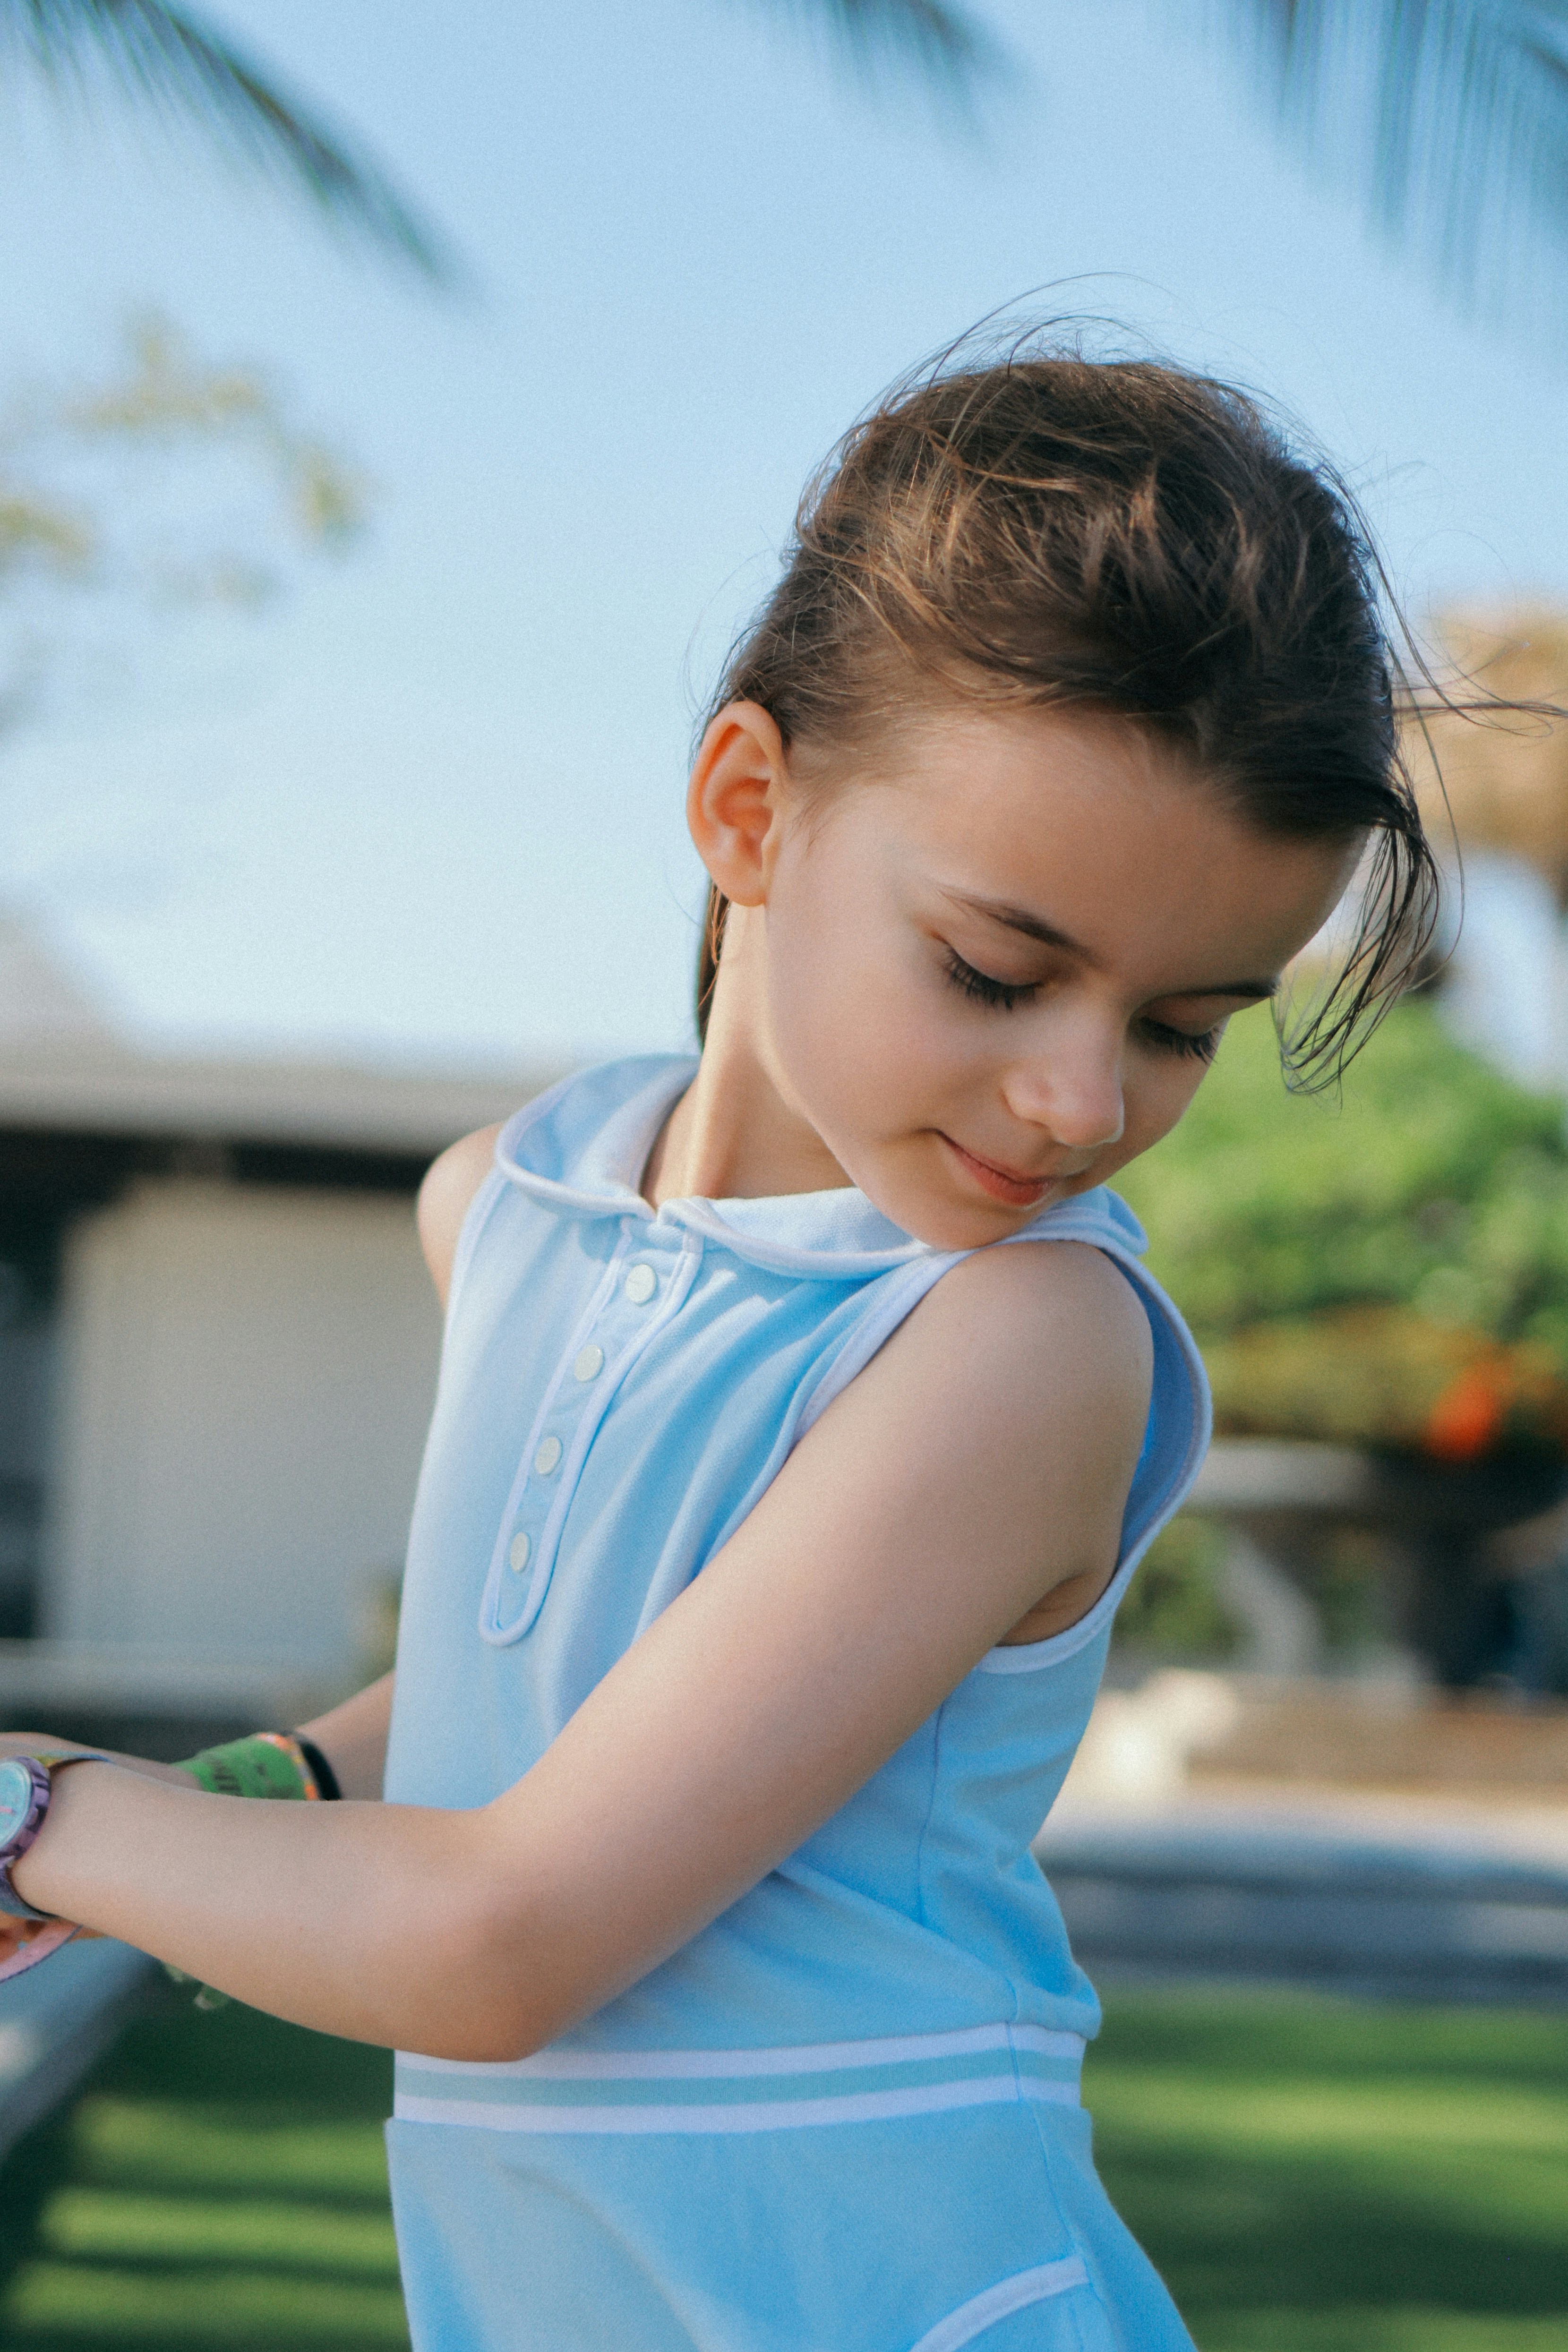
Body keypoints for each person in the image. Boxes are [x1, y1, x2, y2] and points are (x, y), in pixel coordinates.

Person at [0, 342, 1438, 2351]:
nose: (1079, 1101)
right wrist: (268, 1783)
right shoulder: (507, 1212)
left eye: (1180, 1022)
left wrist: (39, 1819)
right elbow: (561, 1686)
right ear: (745, 809)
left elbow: (503, 1945)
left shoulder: (1017, 1341)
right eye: (999, 970)